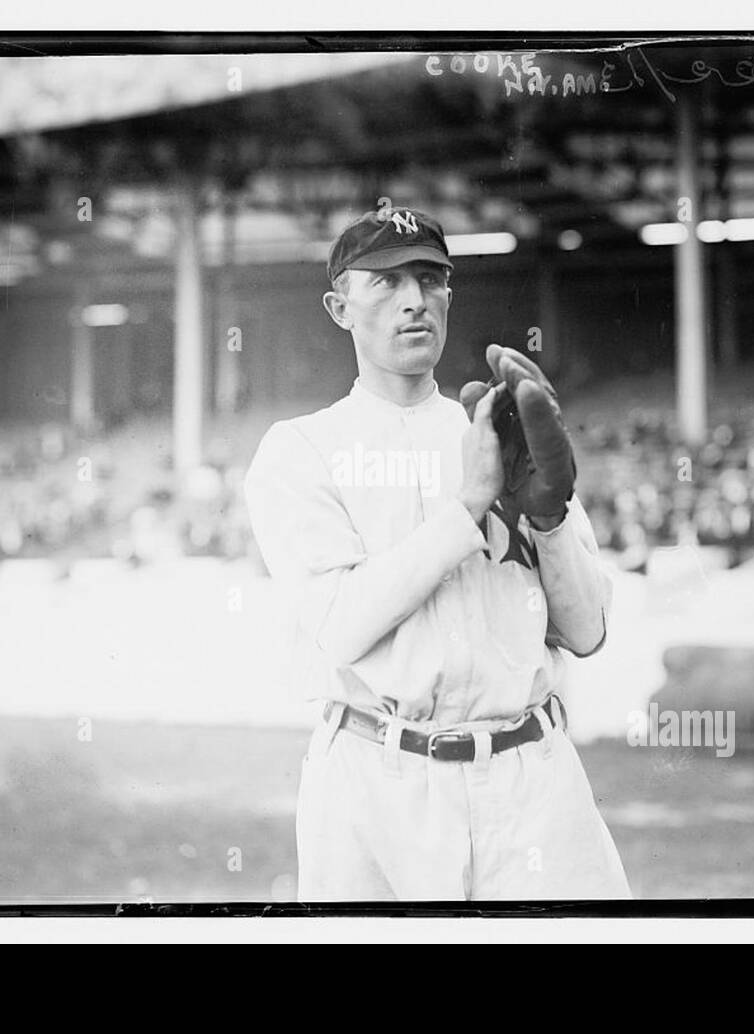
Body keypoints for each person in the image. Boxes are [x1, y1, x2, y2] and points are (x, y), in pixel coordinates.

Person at [244, 204, 630, 901]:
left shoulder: (496, 426)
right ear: (340, 306)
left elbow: (588, 631)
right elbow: (342, 624)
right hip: (376, 780)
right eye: (385, 283)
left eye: (430, 277)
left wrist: (546, 516)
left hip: (531, 778)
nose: (414, 299)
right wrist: (468, 504)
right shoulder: (301, 450)